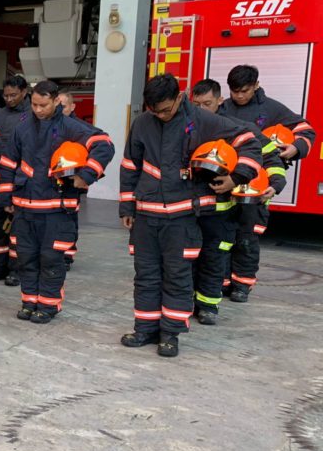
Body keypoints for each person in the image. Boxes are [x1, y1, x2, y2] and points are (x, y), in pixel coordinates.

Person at [119, 73, 261, 357]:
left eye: (166, 109)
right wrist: (127, 206)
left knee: (177, 276)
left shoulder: (203, 121)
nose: (160, 115)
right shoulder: (142, 123)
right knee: (145, 276)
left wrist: (237, 177)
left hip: (183, 218)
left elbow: (250, 142)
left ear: (180, 97)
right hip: (146, 216)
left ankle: (171, 334)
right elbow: (130, 165)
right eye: (154, 110)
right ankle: (145, 328)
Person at [0, 80, 114, 324]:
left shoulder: (72, 127)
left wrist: (87, 175)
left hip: (56, 209)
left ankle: (48, 306)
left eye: (43, 105)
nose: (38, 110)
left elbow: (104, 145)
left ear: (56, 101)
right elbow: (9, 162)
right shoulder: (22, 129)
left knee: (51, 259)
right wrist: (5, 196)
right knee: (26, 258)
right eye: (34, 104)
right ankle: (29, 301)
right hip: (24, 207)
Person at [190, 78, 286, 324]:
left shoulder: (239, 128)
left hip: (224, 209)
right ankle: (187, 302)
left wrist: (274, 185)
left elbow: (270, 158)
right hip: (189, 210)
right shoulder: (186, 129)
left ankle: (209, 306)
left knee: (217, 256)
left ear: (220, 100)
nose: (201, 109)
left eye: (207, 103)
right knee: (187, 258)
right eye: (196, 104)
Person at [219, 64, 317, 302]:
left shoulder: (272, 109)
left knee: (247, 238)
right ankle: (221, 281)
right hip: (229, 184)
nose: (239, 96)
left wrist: (296, 147)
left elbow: (306, 130)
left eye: (244, 90)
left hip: (258, 185)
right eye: (235, 91)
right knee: (223, 237)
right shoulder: (223, 109)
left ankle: (243, 284)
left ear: (256, 86)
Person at [0, 75, 32, 286]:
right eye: (6, 95)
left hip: (20, 183)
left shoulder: (32, 115)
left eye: (13, 95)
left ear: (24, 92)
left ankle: (16, 269)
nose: (9, 99)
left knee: (18, 229)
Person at [56, 90, 81, 269]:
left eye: (63, 106)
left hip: (71, 181)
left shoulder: (79, 128)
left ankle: (67, 255)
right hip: (53, 180)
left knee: (69, 218)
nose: (59, 109)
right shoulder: (51, 125)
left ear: (72, 107)